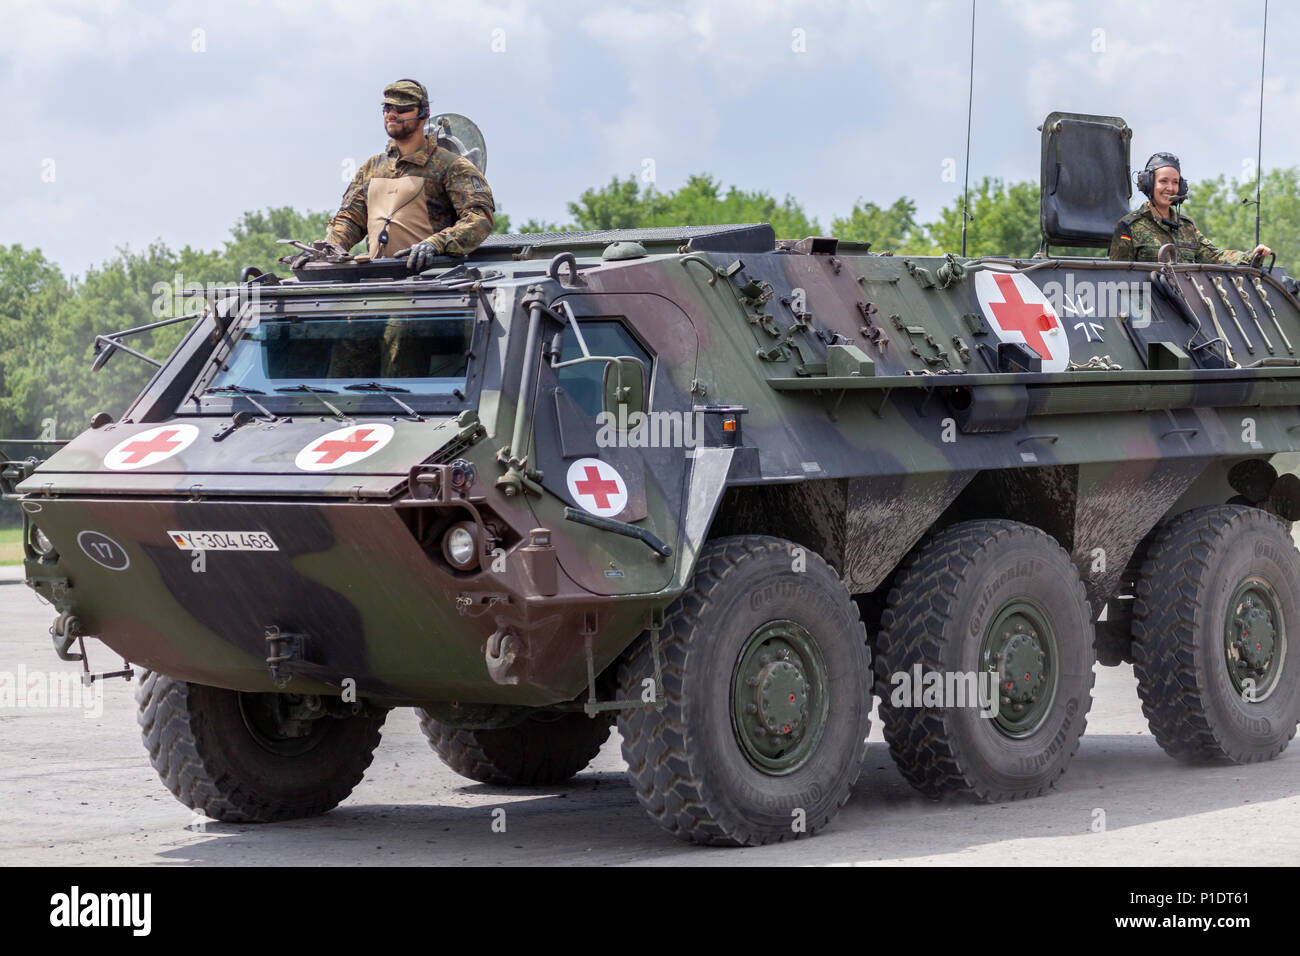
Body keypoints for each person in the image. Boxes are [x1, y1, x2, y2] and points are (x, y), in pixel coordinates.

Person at [325, 79, 495, 271]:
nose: (392, 114)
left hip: (432, 282)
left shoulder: (451, 166)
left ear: (424, 113)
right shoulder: (372, 168)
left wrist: (436, 244)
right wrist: (327, 250)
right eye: (388, 108)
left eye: (402, 109)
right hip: (376, 281)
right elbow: (350, 219)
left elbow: (478, 219)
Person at [1109, 152, 1271, 265]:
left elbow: (1215, 257)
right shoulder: (1129, 227)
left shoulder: (1186, 226)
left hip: (1185, 308)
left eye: (1175, 182)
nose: (1170, 188)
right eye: (1163, 181)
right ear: (1149, 183)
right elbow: (1118, 278)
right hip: (1147, 309)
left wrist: (1251, 256)